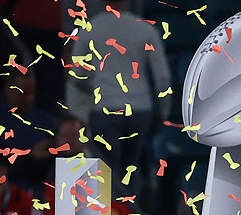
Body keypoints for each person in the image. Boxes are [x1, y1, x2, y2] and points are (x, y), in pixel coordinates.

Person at [68, 0, 172, 198]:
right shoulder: (144, 27)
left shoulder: (90, 27)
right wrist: (164, 112)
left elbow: (78, 74)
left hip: (105, 108)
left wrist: (95, 88)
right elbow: (163, 78)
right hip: (140, 108)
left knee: (107, 171)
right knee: (132, 166)